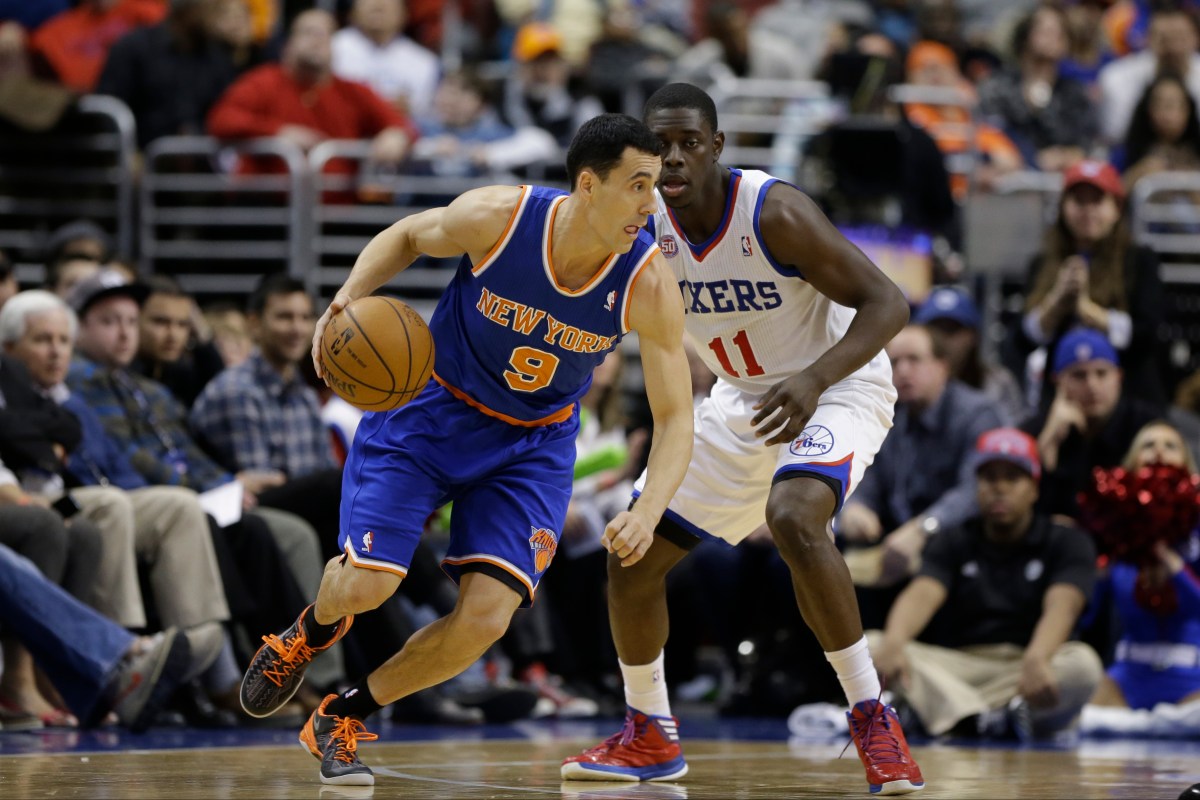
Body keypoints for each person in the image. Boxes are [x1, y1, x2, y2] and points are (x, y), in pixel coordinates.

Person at [237, 113, 695, 786]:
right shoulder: (499, 218)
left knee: (485, 619)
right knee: (367, 584)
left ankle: (343, 713)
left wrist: (648, 507)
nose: (650, 203)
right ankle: (308, 630)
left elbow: (677, 414)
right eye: (637, 185)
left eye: (655, 185)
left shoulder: (647, 282)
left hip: (531, 444)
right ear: (588, 185)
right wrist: (345, 301)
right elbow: (406, 236)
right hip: (432, 409)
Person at [562, 83, 924, 796]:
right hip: (740, 401)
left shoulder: (775, 212)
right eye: (659, 144)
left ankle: (872, 715)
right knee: (631, 555)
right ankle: (650, 733)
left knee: (792, 515)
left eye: (689, 142)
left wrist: (816, 379)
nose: (673, 158)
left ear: (717, 146)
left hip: (838, 382)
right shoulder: (643, 225)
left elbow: (890, 302)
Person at [869, 428, 1102, 741]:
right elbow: (922, 593)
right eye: (989, 478)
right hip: (958, 666)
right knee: (871, 645)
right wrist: (895, 642)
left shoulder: (1067, 540)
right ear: (977, 487)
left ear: (1034, 488)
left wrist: (1037, 658)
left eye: (1012, 477)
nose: (999, 488)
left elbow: (1064, 605)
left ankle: (938, 714)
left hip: (1025, 665)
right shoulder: (953, 540)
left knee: (1083, 666)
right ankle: (989, 719)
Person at [1083, 420, 1200, 731]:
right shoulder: (1112, 535)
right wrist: (1097, 577)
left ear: (1187, 466)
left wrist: (1172, 564)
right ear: (1131, 463)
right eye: (1148, 445)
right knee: (1081, 722)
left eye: (1170, 446)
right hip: (1126, 679)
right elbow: (1086, 618)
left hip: (1192, 680)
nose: (1159, 451)